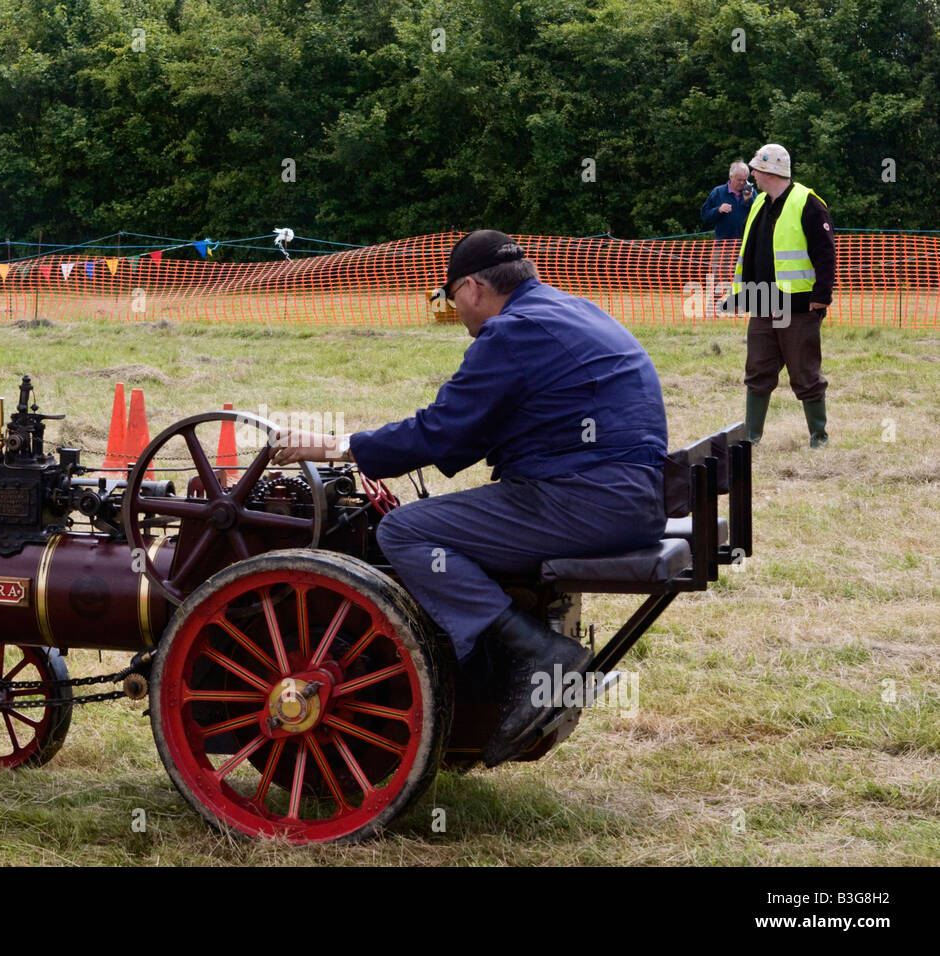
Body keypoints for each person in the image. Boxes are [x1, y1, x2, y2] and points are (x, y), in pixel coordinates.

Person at [271, 230, 669, 766]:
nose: (454, 310)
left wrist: (337, 445)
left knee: (406, 530)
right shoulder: (569, 310)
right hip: (627, 496)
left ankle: (534, 652)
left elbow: (442, 432)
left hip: (591, 501)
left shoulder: (512, 333)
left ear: (474, 288)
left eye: (451, 296)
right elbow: (476, 430)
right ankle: (502, 656)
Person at [726, 144, 836, 448]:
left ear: (769, 171)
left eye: (756, 170)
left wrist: (821, 296)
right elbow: (750, 252)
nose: (753, 176)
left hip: (798, 305)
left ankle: (819, 437)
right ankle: (750, 438)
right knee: (757, 371)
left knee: (805, 374)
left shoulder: (808, 203)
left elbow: (826, 253)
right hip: (762, 302)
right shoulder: (760, 202)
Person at [700, 162, 755, 285]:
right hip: (723, 245)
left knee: (746, 280)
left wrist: (749, 200)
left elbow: (760, 214)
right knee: (719, 281)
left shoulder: (750, 192)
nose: (742, 183)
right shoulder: (718, 192)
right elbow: (705, 216)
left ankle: (742, 304)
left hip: (746, 244)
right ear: (731, 177)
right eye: (739, 180)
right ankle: (719, 304)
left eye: (745, 180)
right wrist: (718, 210)